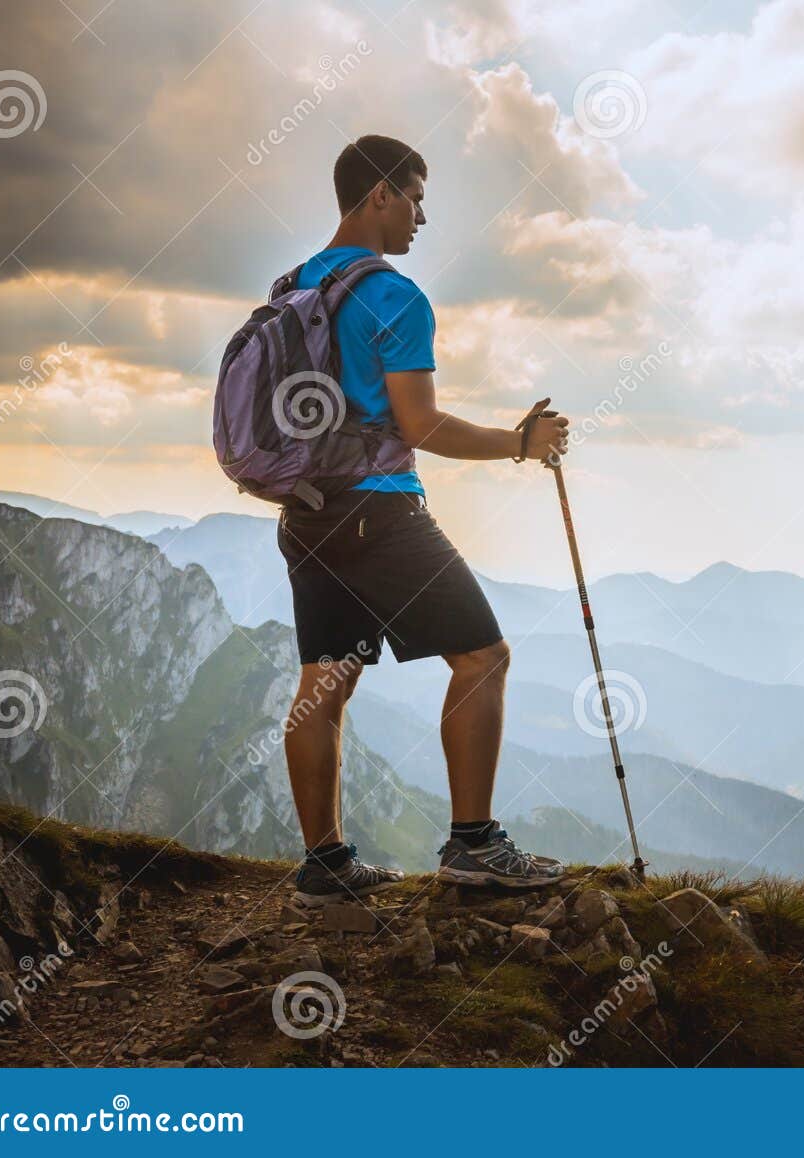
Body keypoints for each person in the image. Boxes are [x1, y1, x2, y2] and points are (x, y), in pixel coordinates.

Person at [276, 134, 569, 904]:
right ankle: (474, 845)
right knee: (485, 658)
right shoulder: (394, 295)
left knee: (324, 684)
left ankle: (324, 866)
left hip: (305, 514)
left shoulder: (293, 289)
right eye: (415, 196)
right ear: (379, 195)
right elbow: (421, 427)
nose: (422, 216)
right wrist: (519, 444)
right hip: (379, 512)